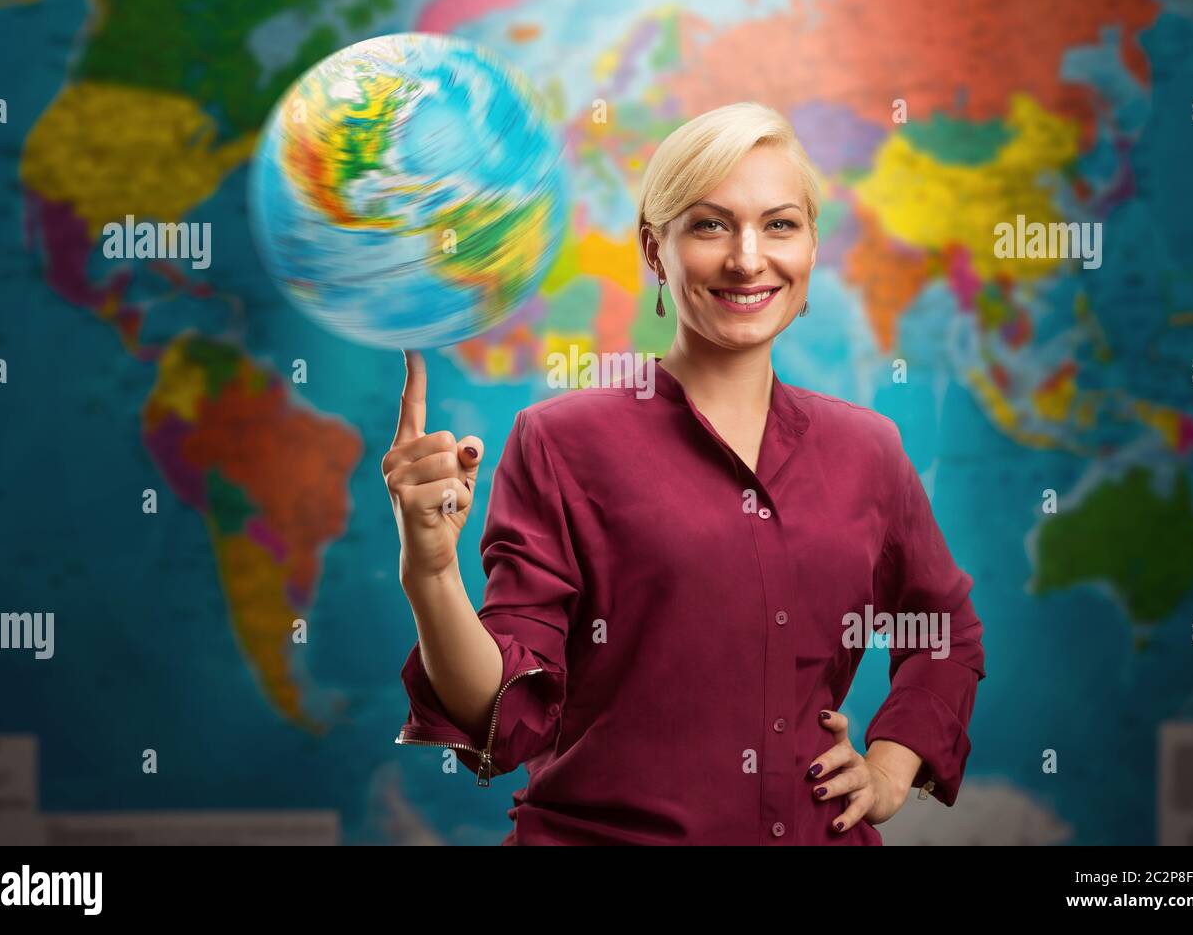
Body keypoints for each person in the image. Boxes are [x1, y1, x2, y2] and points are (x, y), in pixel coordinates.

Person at [384, 101, 986, 845]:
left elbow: (945, 629)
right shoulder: (559, 441)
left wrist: (893, 766)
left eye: (779, 224)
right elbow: (501, 713)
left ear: (810, 247)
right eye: (709, 224)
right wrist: (432, 572)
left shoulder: (869, 450)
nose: (746, 257)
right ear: (652, 248)